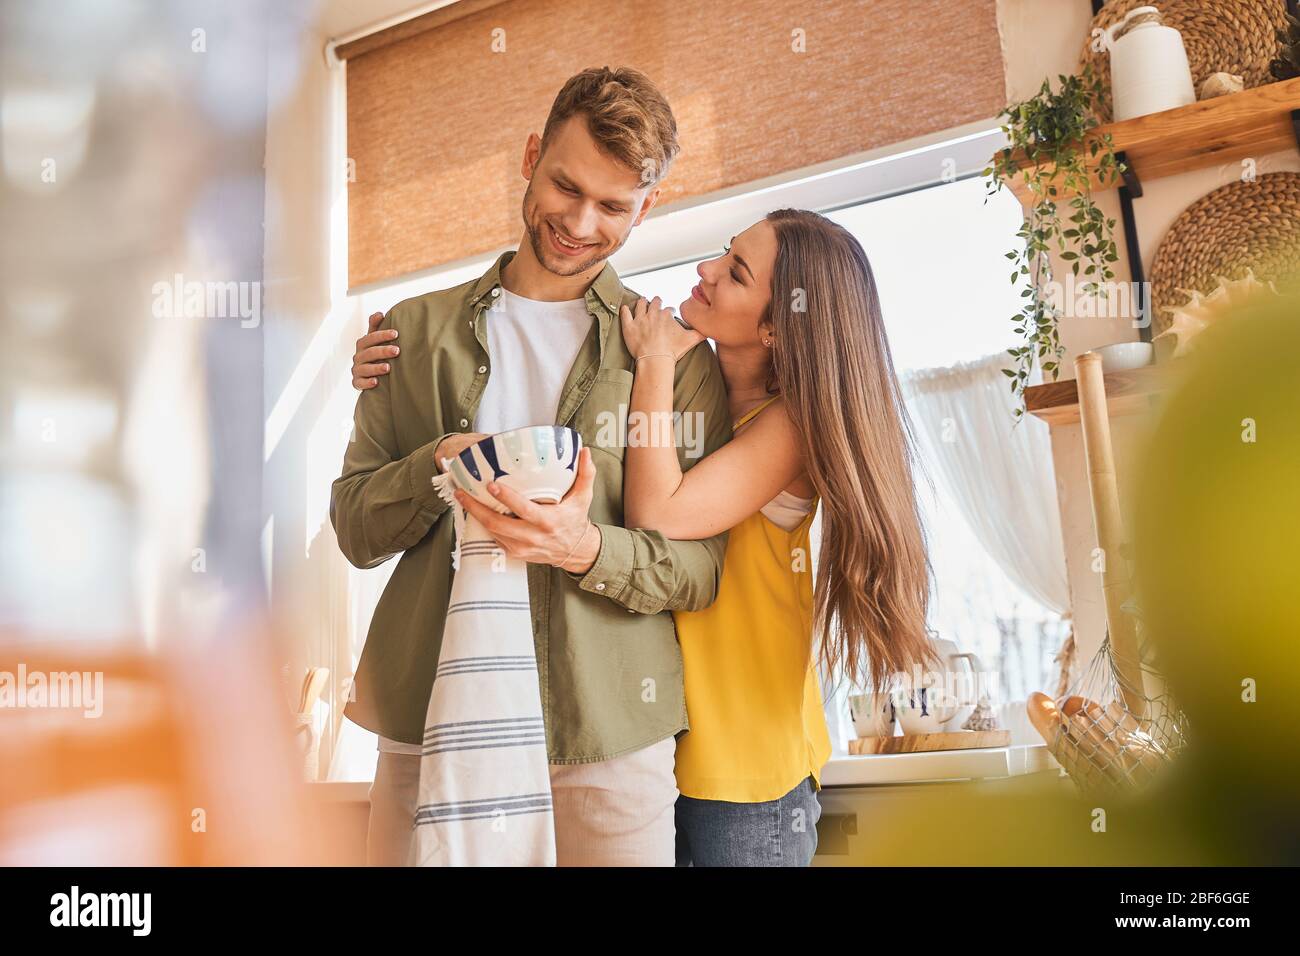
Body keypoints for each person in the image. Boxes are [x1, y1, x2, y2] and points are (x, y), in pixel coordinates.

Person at [358, 208, 940, 867]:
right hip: (673, 745)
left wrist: (657, 360)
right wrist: (390, 356)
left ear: (778, 327)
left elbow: (657, 515)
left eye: (736, 272)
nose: (706, 270)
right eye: (723, 252)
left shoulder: (787, 429)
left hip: (745, 771)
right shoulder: (712, 396)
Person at [332, 66, 732, 867]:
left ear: (645, 208)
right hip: (430, 723)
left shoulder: (673, 359)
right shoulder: (410, 335)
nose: (580, 223)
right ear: (529, 158)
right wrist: (435, 467)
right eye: (566, 185)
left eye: (614, 206)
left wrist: (582, 548)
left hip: (608, 736)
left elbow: (698, 572)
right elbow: (354, 529)